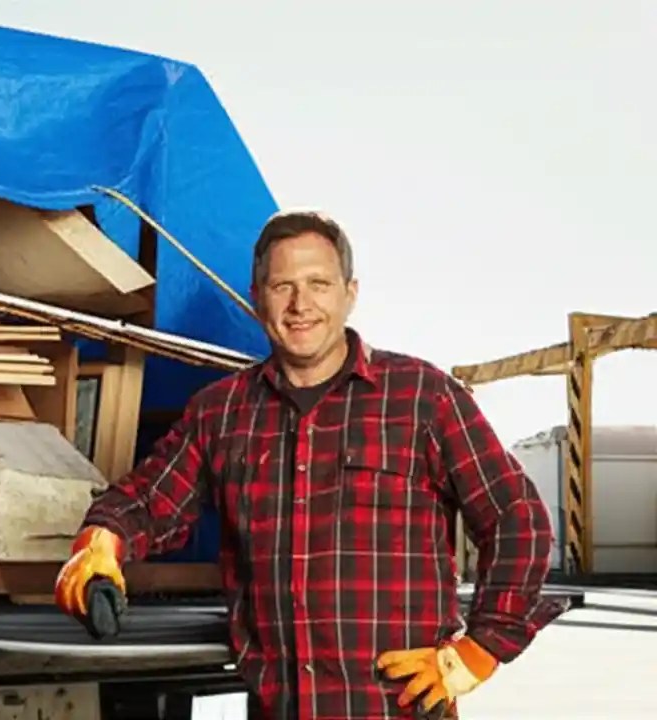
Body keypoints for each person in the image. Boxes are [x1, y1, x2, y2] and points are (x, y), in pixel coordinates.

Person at [53, 210, 565, 719]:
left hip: (395, 711)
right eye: (282, 287)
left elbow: (516, 518)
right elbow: (148, 499)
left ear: (350, 292)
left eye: (318, 283)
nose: (301, 305)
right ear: (257, 299)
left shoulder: (421, 398)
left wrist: (479, 649)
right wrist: (101, 540)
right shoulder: (221, 412)